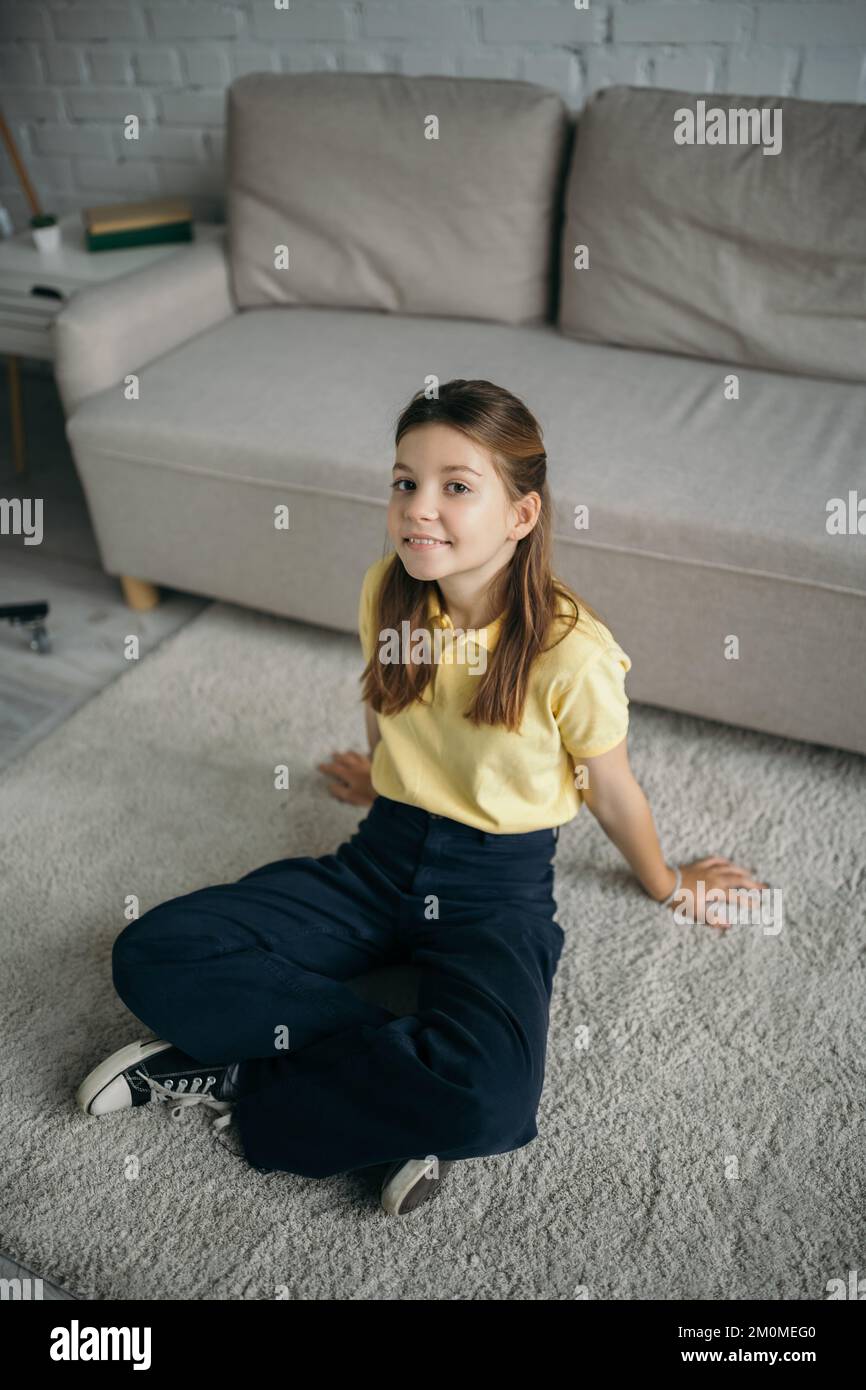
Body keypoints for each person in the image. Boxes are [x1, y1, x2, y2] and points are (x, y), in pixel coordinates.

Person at [75, 379, 768, 1217]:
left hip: (496, 890)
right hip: (381, 855)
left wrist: (666, 881)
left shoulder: (572, 653)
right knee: (153, 950)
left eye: (456, 486)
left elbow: (607, 786)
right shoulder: (387, 588)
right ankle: (397, 1083)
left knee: (493, 1102)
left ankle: (251, 1074)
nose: (418, 507)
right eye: (405, 482)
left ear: (521, 516)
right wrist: (385, 774)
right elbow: (387, 700)